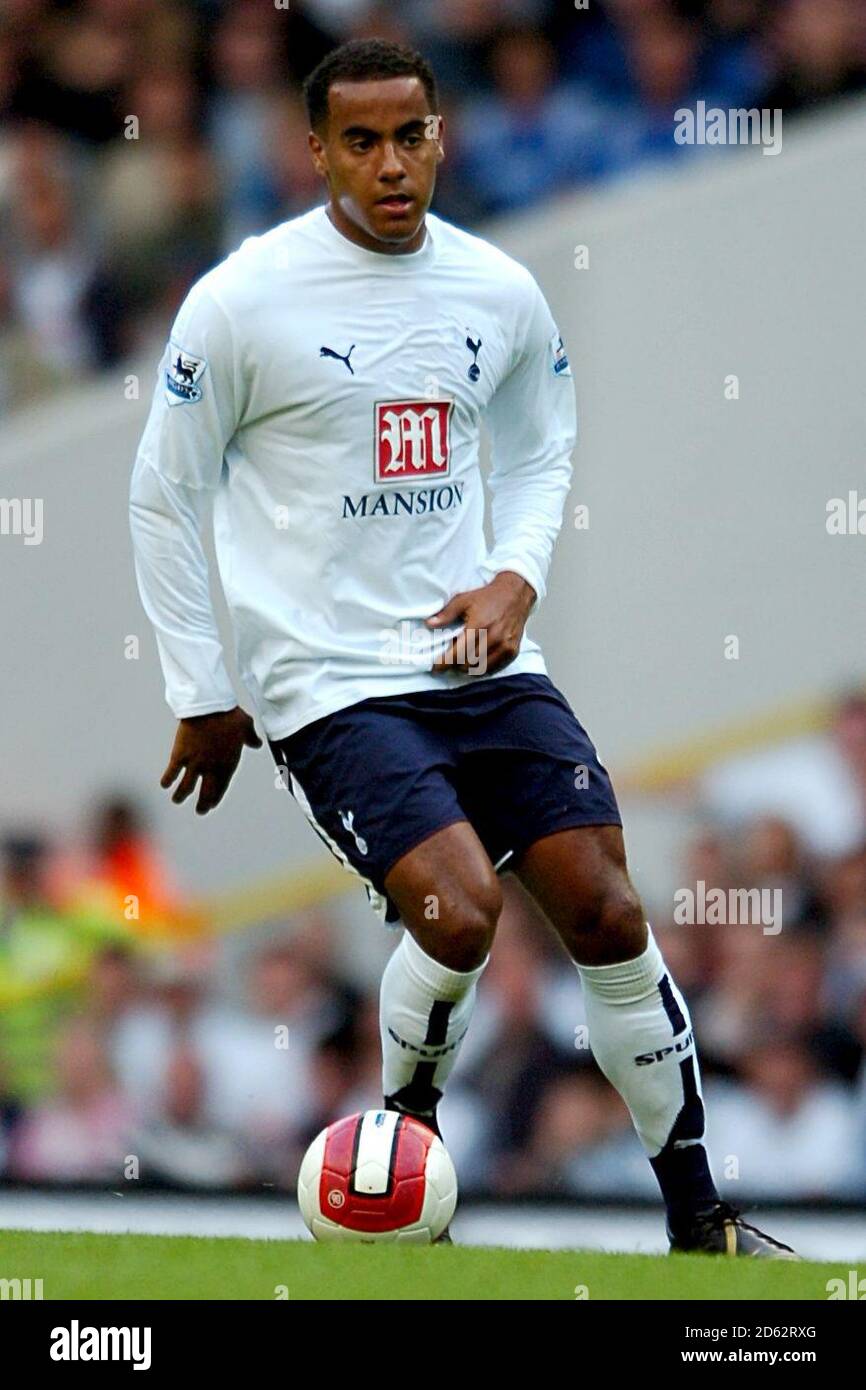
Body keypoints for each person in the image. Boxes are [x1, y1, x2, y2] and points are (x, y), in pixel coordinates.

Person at [129, 37, 794, 1257]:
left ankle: (700, 1224)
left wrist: (517, 574)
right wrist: (203, 685)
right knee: (456, 909)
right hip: (326, 680)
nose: (393, 164)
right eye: (364, 141)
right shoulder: (240, 301)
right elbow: (161, 495)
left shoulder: (496, 288)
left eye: (413, 135)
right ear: (315, 149)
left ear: (443, 135)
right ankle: (405, 1135)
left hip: (475, 663)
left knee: (602, 907)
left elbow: (541, 439)